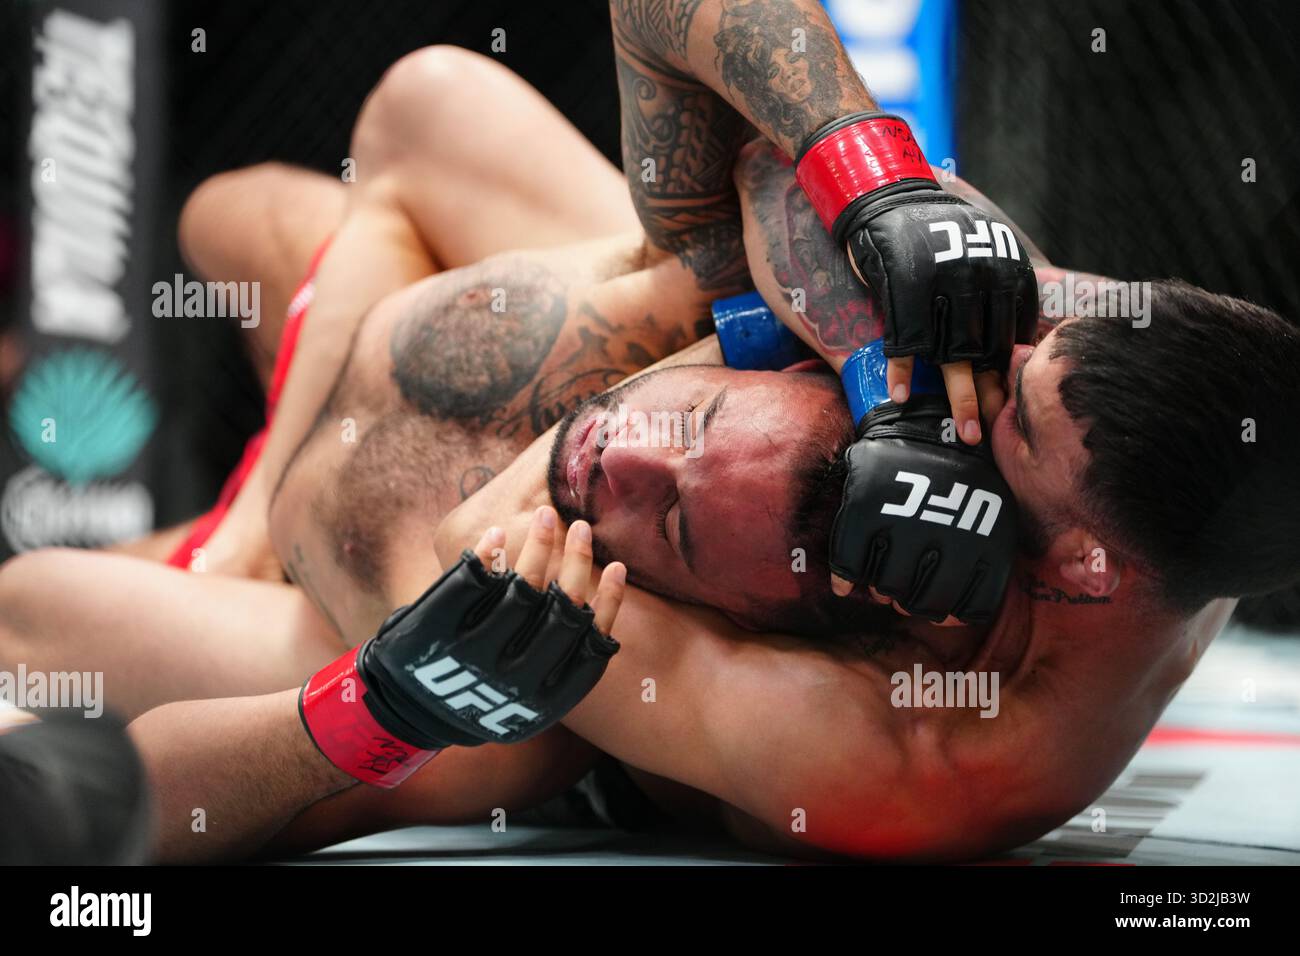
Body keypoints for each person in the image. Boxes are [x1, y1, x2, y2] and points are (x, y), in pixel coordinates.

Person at [3, 4, 1297, 862]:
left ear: (1082, 567)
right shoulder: (1072, 359)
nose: (995, 360)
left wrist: (364, 708)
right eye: (1026, 348)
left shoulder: (941, 754)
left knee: (47, 614)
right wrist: (868, 199)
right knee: (354, 151)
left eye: (1007, 409)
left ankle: (247, 531)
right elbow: (682, 42)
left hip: (539, 625)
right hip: (616, 383)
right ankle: (236, 523)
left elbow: (489, 575)